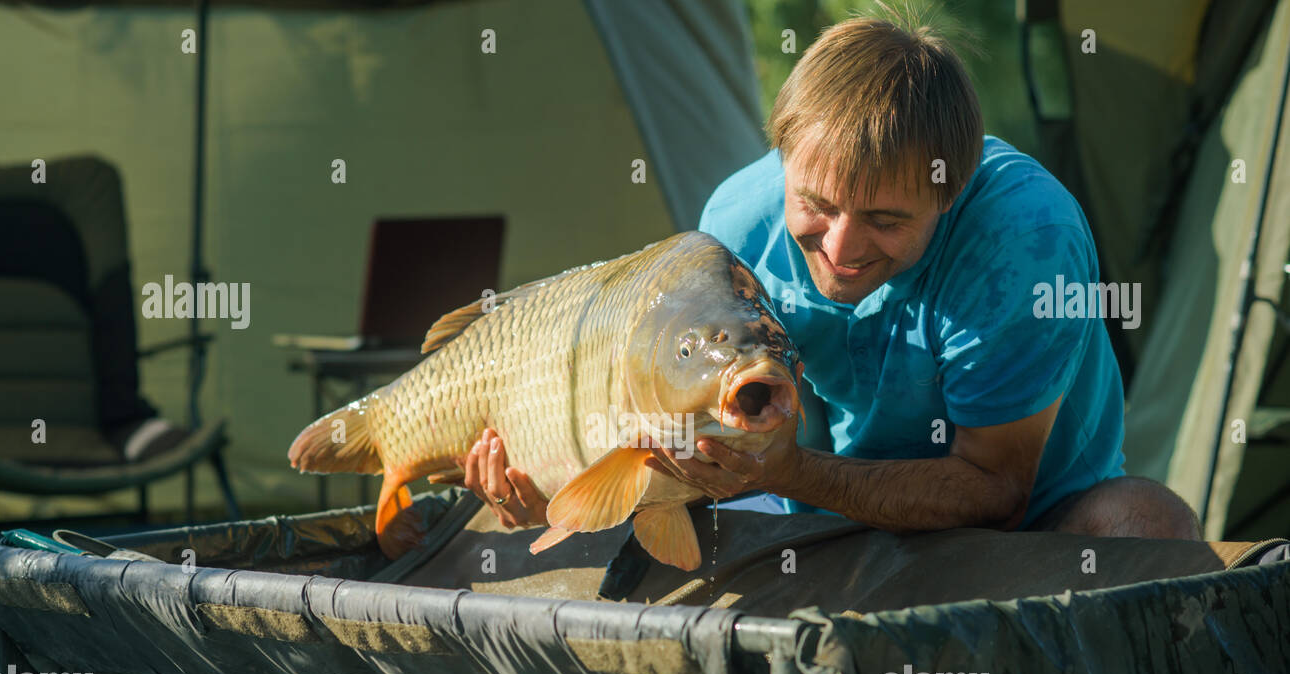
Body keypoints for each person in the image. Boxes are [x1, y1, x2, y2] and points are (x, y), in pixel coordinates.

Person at [456, 11, 1200, 541]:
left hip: (1031, 521)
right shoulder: (734, 230)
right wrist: (560, 495)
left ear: (952, 189)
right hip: (813, 520)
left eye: (885, 219)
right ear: (784, 160)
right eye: (815, 204)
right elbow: (692, 447)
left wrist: (794, 475)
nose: (841, 247)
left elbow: (995, 490)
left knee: (1146, 524)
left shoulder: (1025, 244)